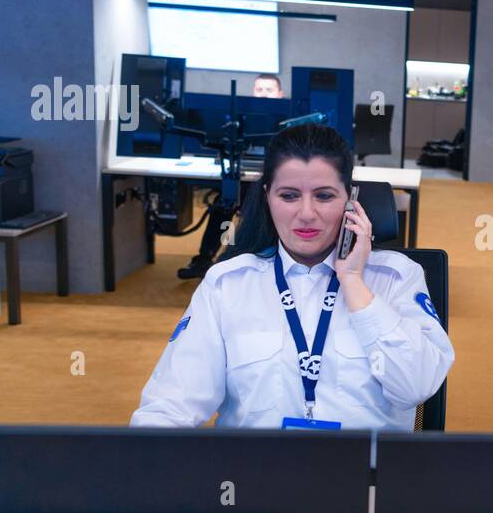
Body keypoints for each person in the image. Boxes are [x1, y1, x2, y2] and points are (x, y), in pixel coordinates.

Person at [132, 121, 455, 430]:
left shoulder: (396, 278)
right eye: (288, 196)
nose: (306, 214)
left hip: (365, 479)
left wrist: (354, 281)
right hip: (255, 478)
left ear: (350, 199)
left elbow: (416, 385)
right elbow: (171, 405)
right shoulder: (227, 285)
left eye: (324, 196)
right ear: (267, 197)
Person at [177, 74, 286, 280]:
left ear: (280, 95)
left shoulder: (287, 120)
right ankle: (205, 259)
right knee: (223, 205)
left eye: (269, 90)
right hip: (243, 173)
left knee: (248, 205)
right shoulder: (240, 117)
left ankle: (240, 257)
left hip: (273, 180)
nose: (263, 95)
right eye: (259, 90)